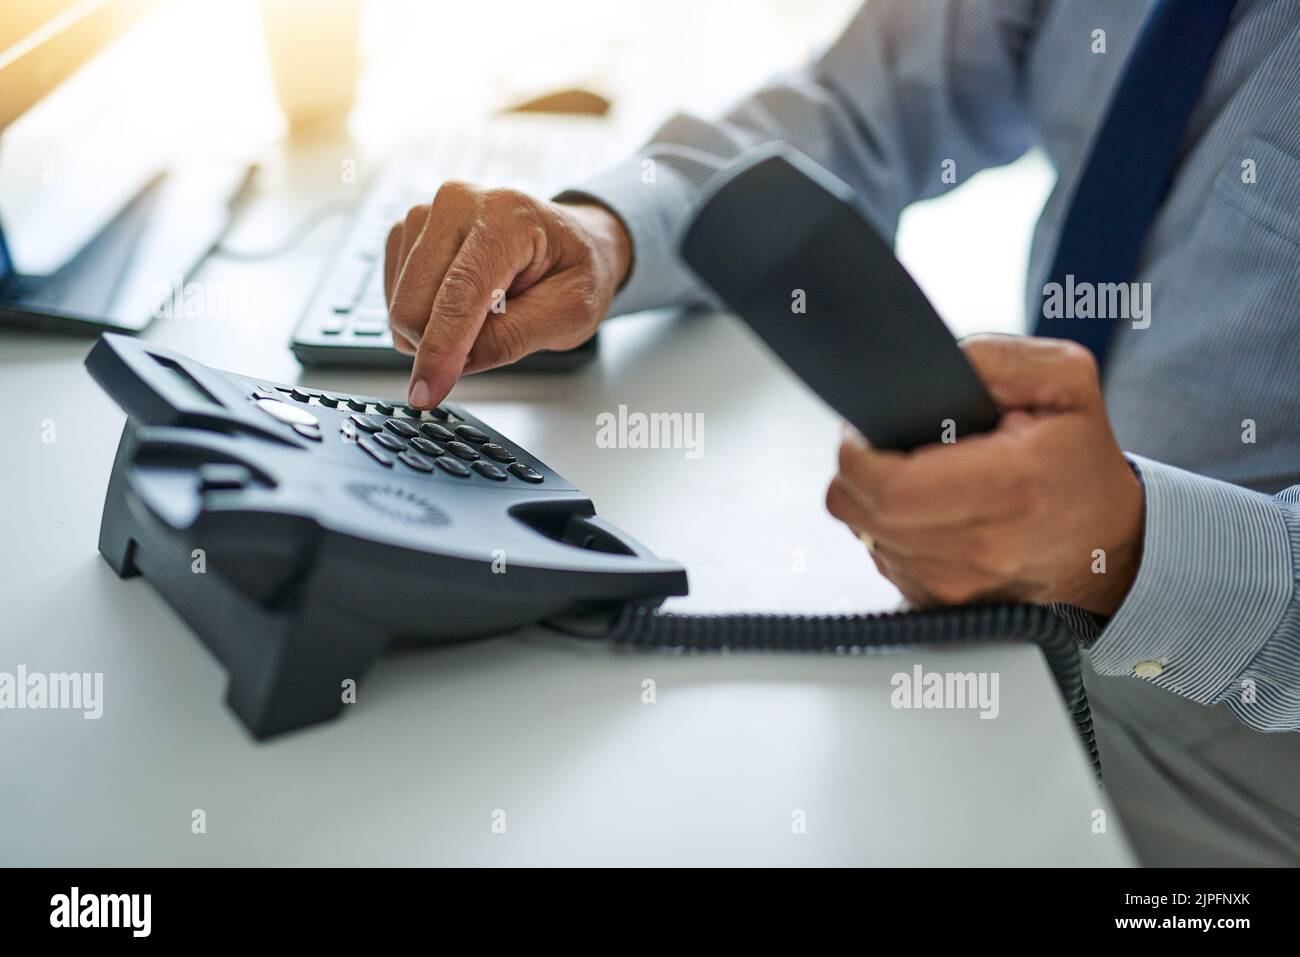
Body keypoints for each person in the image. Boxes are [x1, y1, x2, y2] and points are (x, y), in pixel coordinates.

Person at [382, 0, 1300, 865]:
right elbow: (855, 110)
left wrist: (1127, 546)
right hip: (1015, 631)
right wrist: (605, 231)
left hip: (1245, 790)